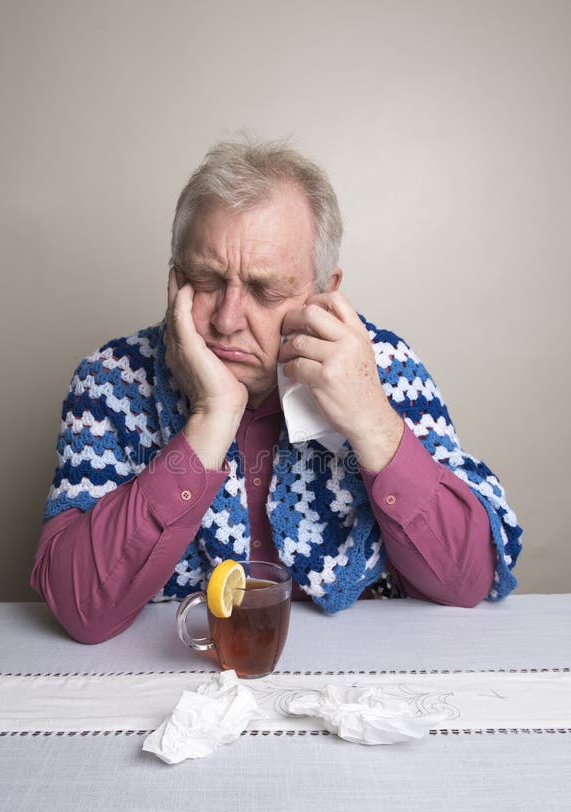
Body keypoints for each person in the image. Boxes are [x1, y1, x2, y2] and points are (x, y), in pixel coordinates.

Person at [31, 137, 522, 643]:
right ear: (175, 281)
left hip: (356, 673)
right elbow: (78, 606)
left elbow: (467, 579)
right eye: (205, 280)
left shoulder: (381, 366)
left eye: (266, 291)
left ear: (324, 293)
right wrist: (209, 418)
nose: (226, 320)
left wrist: (371, 418)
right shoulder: (112, 380)